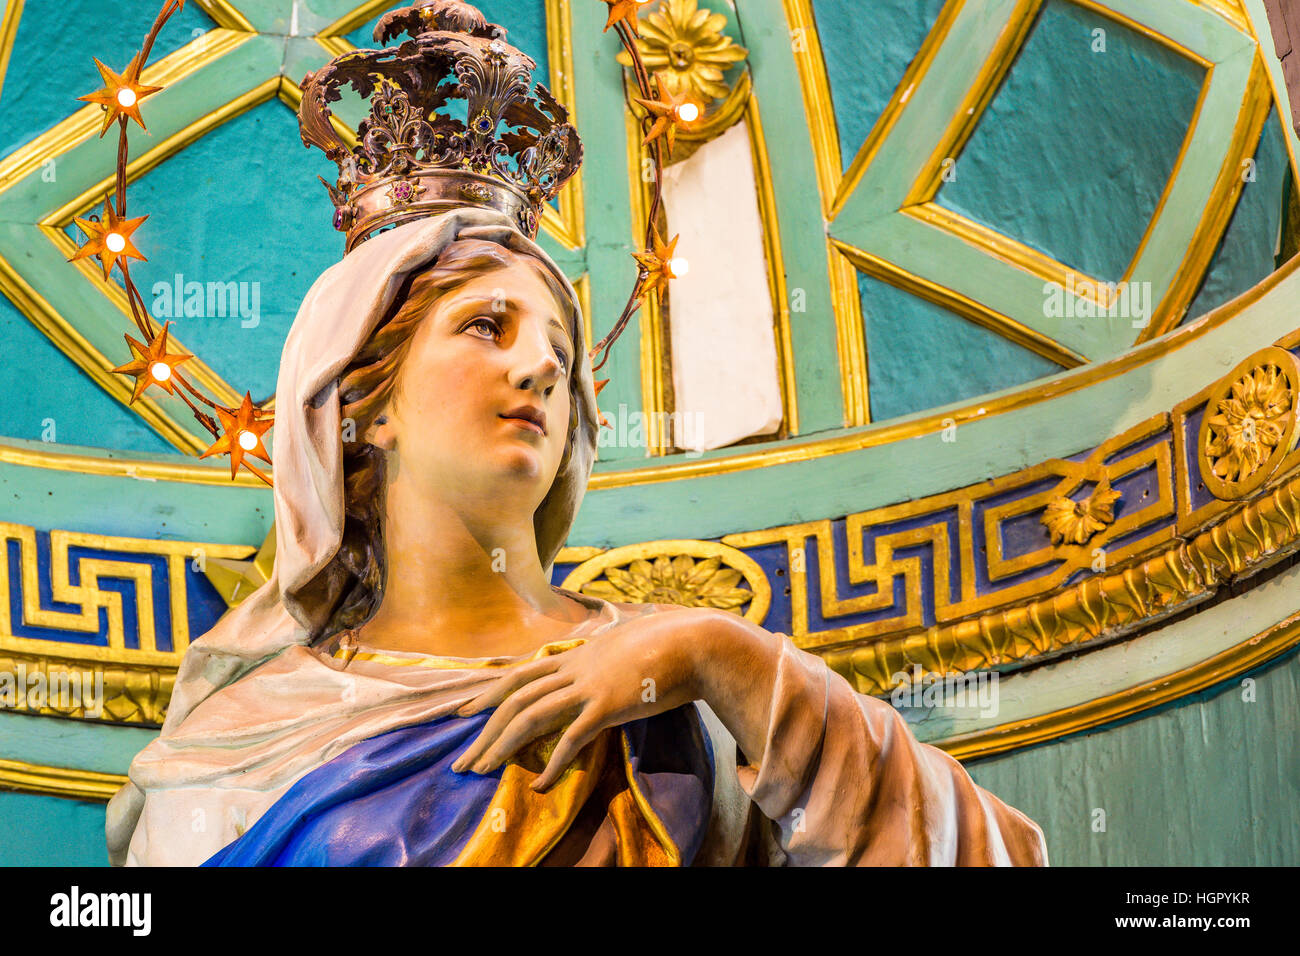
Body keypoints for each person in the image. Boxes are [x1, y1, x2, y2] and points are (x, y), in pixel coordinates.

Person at [106, 207, 1048, 866]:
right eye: (487, 326)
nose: (541, 368)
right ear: (366, 405)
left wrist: (722, 657)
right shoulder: (239, 741)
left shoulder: (684, 683)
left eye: (559, 348)